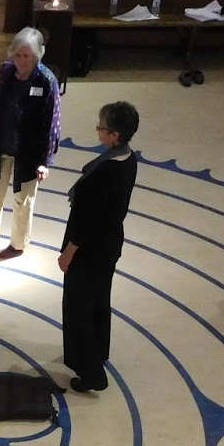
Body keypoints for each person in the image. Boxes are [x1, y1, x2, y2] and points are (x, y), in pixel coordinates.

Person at [59, 101, 139, 394]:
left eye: (101, 127)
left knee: (78, 309)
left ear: (114, 135)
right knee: (98, 302)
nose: (98, 130)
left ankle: (91, 372)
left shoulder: (106, 172)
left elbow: (87, 219)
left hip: (89, 251)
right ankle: (98, 352)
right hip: (108, 245)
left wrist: (69, 252)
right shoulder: (128, 159)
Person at [0, 28, 62, 261]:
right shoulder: (5, 71)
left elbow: (52, 123)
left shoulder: (46, 81)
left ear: (37, 55)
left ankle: (18, 244)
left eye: (26, 56)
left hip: (29, 153)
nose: (21, 61)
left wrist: (45, 161)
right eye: (17, 55)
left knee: (23, 200)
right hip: (1, 144)